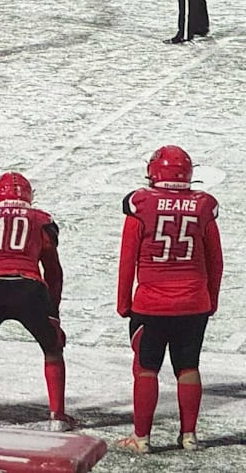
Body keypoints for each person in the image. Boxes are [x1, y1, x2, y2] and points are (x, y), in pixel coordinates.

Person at [115, 146, 223, 454]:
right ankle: (189, 435)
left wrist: (124, 301)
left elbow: (128, 259)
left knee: (146, 368)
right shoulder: (203, 205)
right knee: (188, 366)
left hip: (151, 302)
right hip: (193, 301)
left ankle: (142, 438)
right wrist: (211, 298)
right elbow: (216, 260)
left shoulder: (141, 204)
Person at [0, 172, 71, 430]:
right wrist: (53, 309)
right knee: (52, 348)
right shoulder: (41, 220)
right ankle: (58, 417)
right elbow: (53, 270)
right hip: (30, 286)